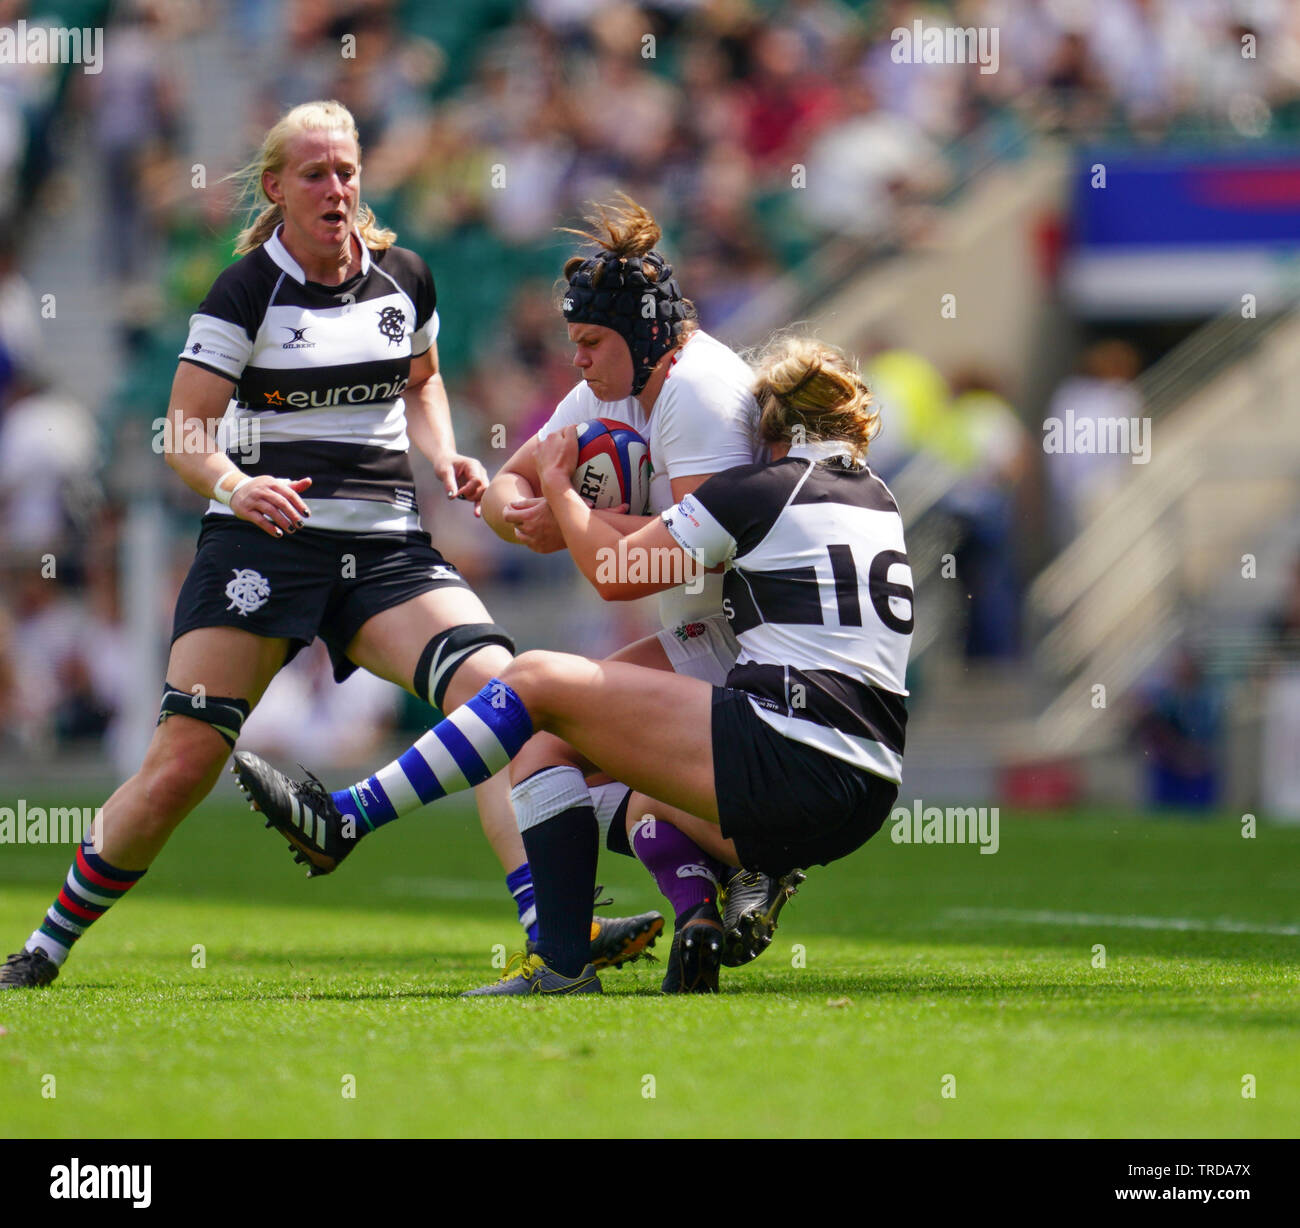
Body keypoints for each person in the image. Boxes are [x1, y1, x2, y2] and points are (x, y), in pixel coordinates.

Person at [0, 100, 655, 992]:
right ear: (276, 188)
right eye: (315, 174)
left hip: (384, 549)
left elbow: (421, 384)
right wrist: (239, 484)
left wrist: (443, 453)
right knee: (183, 763)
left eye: (346, 171)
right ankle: (43, 947)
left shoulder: (405, 278)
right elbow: (184, 433)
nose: (336, 188)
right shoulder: (243, 294)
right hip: (261, 551)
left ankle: (554, 933)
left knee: (504, 699)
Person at [238, 195, 808, 992]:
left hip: (756, 653)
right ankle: (581, 956)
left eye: (589, 344)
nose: (576, 362)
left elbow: (665, 568)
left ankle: (350, 819)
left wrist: (571, 513)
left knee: (539, 701)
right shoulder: (619, 384)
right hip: (706, 639)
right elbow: (508, 490)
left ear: (643, 337)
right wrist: (536, 513)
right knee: (539, 748)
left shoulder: (701, 395)